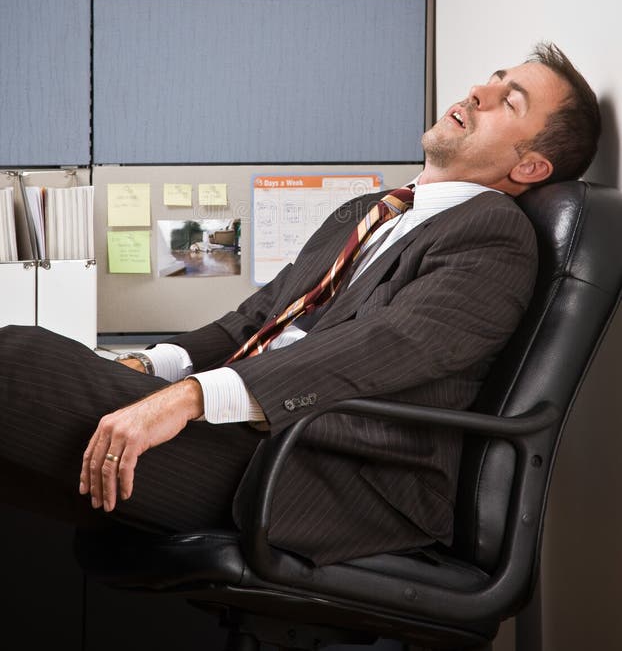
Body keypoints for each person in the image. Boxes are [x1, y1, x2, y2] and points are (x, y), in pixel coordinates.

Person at [0, 41, 601, 567]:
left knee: (18, 361)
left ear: (530, 165)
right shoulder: (368, 212)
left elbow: (381, 349)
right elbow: (254, 321)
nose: (477, 92)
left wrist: (188, 399)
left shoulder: (494, 235)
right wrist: (151, 368)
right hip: (264, 438)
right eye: (490, 80)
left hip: (324, 472)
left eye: (509, 100)